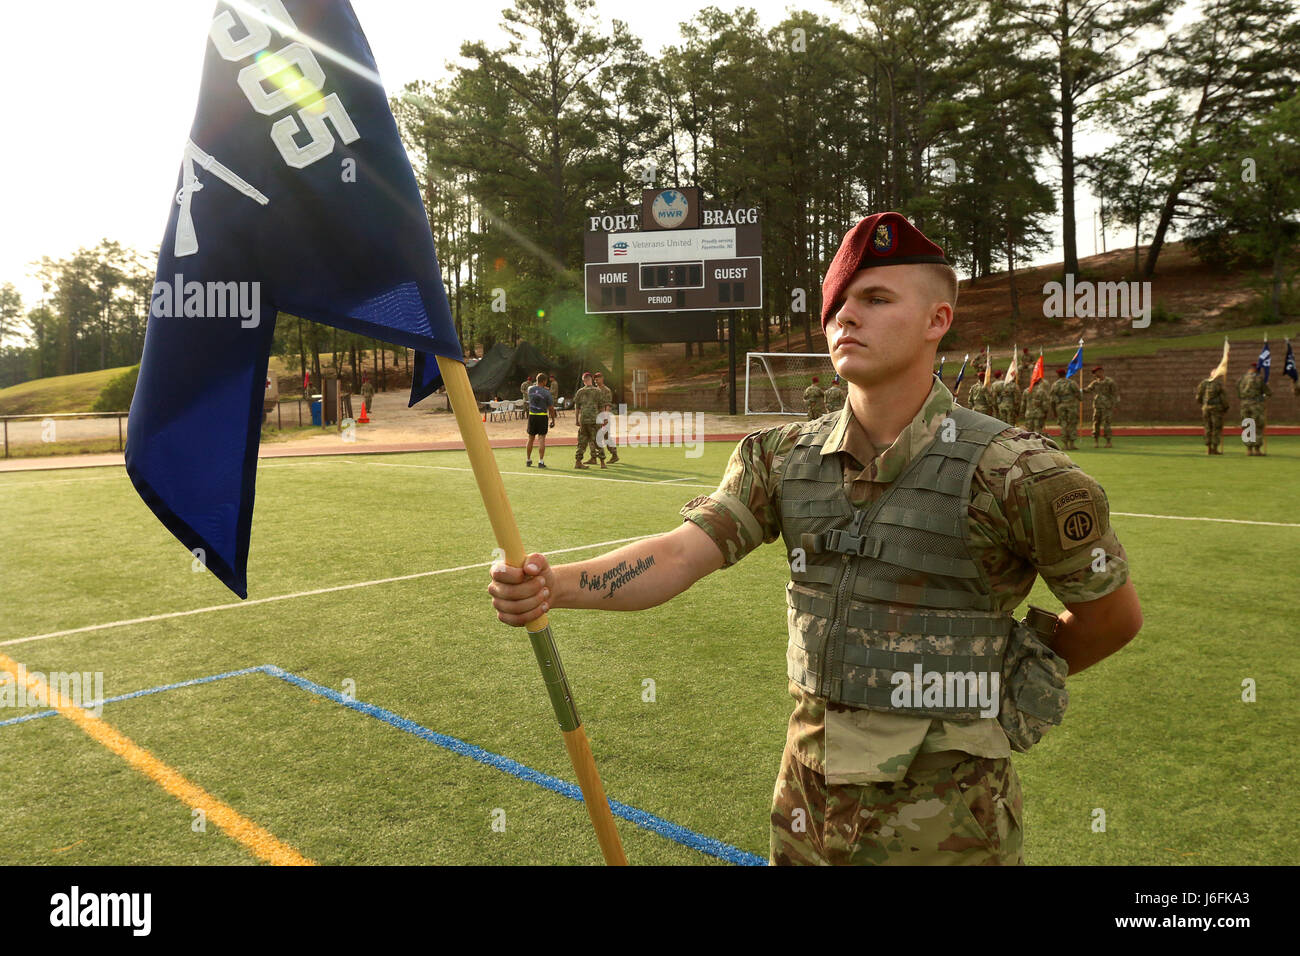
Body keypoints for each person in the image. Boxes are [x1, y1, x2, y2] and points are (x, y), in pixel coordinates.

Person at [488, 211, 1141, 866]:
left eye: (876, 299)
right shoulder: (782, 457)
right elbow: (682, 552)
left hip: (948, 835)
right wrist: (554, 586)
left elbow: (1111, 617)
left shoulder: (1018, 471)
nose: (845, 319)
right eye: (837, 305)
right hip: (805, 815)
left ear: (937, 320)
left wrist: (986, 677)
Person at [585, 371, 620, 464]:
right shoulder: (595, 390)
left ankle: (614, 454)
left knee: (606, 436)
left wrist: (605, 418)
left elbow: (608, 405)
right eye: (595, 378)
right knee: (593, 437)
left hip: (604, 416)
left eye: (598, 378)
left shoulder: (606, 390)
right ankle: (593, 457)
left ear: (602, 378)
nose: (596, 380)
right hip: (595, 417)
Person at [1235, 362, 1271, 456]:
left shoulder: (1242, 379)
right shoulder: (1259, 378)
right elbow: (1268, 392)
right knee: (1258, 426)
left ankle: (1248, 449)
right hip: (1256, 405)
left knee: (1247, 425)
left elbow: (1238, 391)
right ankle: (1257, 449)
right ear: (1256, 369)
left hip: (1244, 404)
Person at [573, 372, 606, 470]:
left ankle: (578, 462)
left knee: (582, 442)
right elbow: (601, 407)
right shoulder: (598, 391)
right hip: (595, 420)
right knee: (598, 441)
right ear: (591, 379)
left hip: (584, 420)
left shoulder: (580, 392)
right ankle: (602, 462)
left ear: (584, 381)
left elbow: (577, 408)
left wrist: (576, 420)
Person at [1083, 366, 1120, 448]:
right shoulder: (1095, 383)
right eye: (1094, 373)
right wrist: (1079, 390)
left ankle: (1108, 441)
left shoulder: (1110, 382)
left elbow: (1115, 394)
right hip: (1097, 406)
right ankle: (1096, 441)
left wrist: (1115, 405)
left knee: (1106, 424)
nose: (1095, 374)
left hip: (1107, 407)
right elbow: (1088, 390)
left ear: (1101, 371)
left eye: (1096, 372)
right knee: (1096, 423)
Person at [1195, 370, 1230, 455]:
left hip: (1206, 408)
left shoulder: (1203, 383)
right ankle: (1215, 448)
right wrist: (1225, 408)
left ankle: (1208, 448)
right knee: (1216, 428)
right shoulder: (1219, 384)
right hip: (1216, 408)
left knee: (1207, 427)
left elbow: (1198, 396)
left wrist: (1204, 404)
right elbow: (1223, 398)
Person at [524, 372, 554, 468]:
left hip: (532, 416)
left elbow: (533, 388)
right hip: (542, 416)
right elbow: (551, 408)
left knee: (530, 438)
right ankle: (541, 461)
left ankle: (528, 460)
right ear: (544, 381)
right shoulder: (547, 393)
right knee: (541, 439)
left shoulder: (530, 389)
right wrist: (553, 419)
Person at [1049, 368, 1082, 450]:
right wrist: (1079, 399)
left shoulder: (1055, 384)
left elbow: (1052, 399)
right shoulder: (1071, 383)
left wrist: (1054, 411)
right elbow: (1078, 394)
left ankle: (1065, 444)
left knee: (1063, 424)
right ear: (1065, 374)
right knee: (1072, 424)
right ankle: (1072, 444)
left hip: (1060, 406)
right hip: (1072, 406)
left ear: (1058, 375)